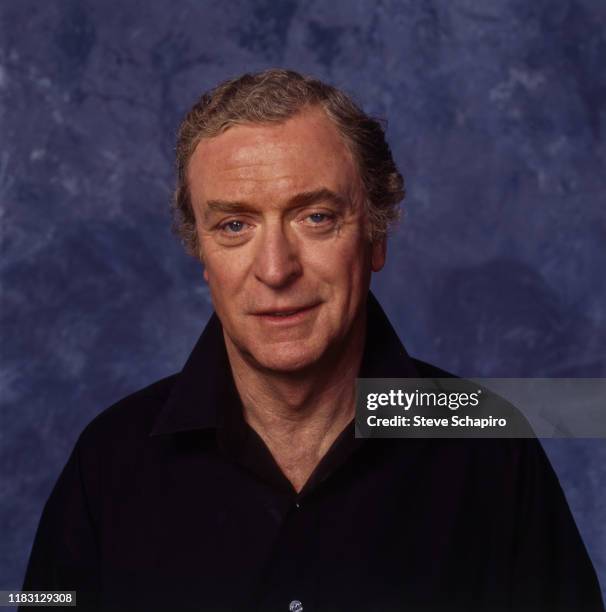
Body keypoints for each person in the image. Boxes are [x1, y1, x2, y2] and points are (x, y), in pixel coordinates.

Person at [21, 69, 603, 612]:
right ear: (202, 255)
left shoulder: (492, 450)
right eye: (234, 225)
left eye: (316, 217)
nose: (275, 269)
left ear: (375, 237)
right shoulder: (109, 462)